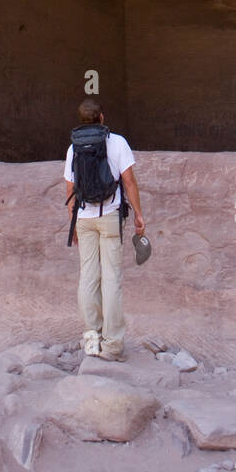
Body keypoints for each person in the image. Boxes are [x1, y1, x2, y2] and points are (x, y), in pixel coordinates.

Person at [63, 99, 145, 361]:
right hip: (109, 215)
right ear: (102, 118)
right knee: (111, 278)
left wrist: (72, 222)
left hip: (84, 217)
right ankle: (112, 345)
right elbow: (129, 180)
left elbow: (69, 190)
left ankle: (91, 340)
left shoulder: (73, 147)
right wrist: (139, 215)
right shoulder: (117, 142)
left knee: (88, 276)